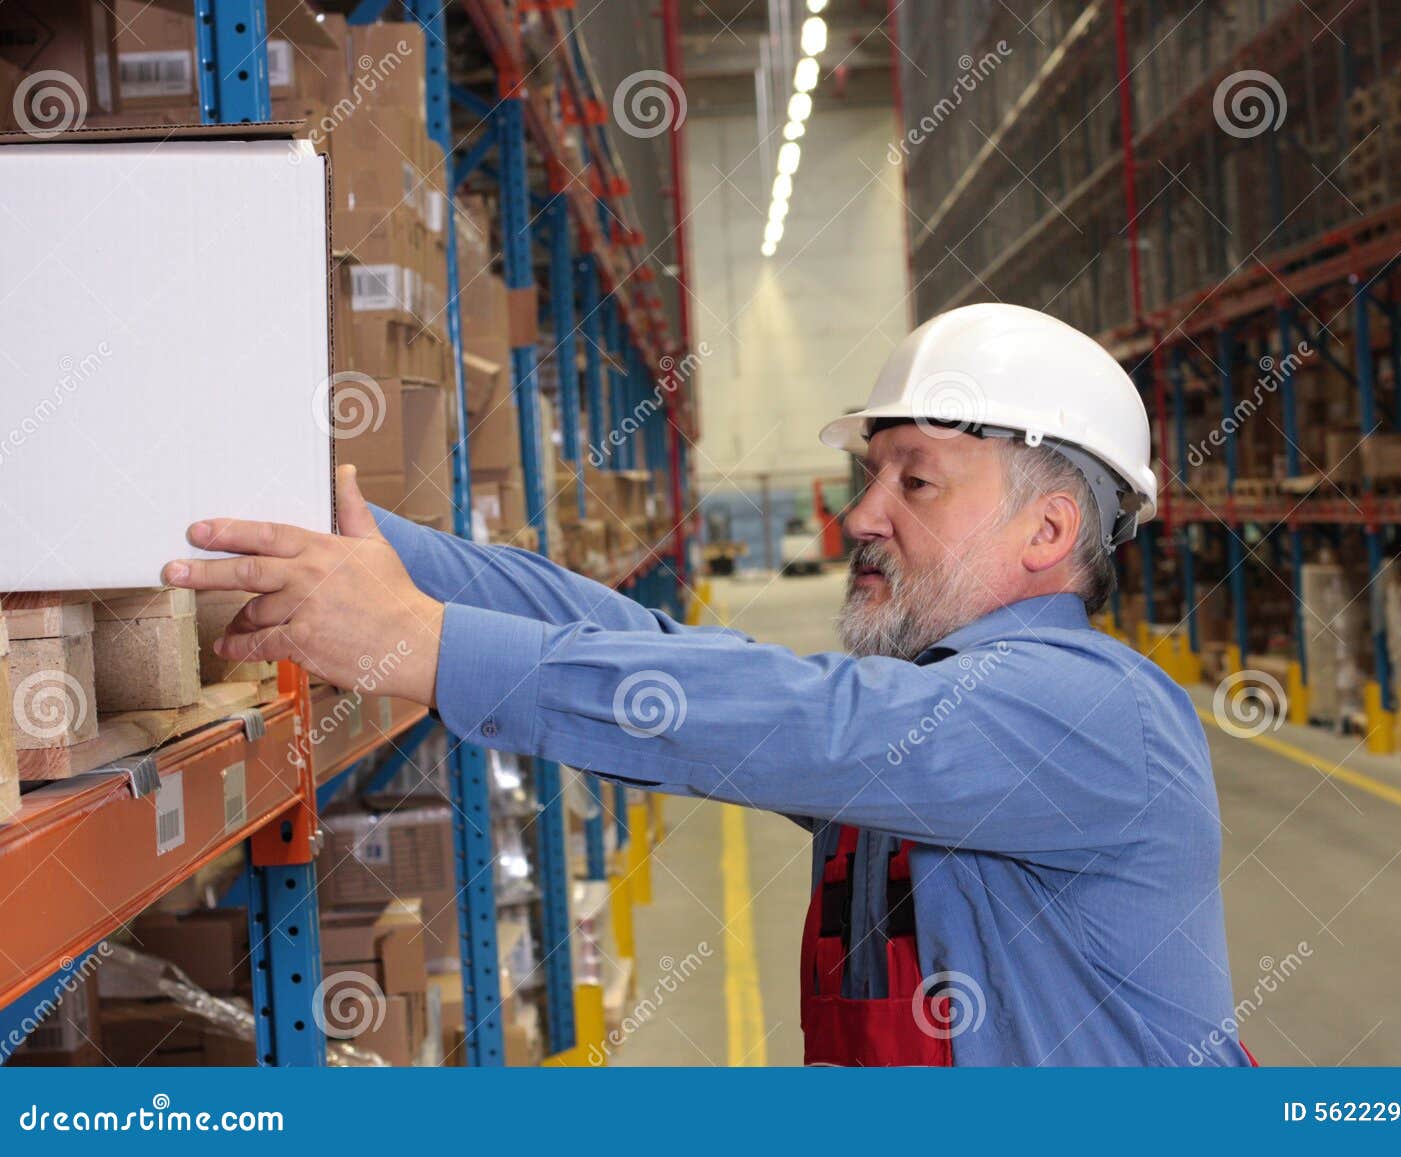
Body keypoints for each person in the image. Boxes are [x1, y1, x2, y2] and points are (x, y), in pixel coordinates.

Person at [163, 303, 1251, 1066]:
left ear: (1048, 530)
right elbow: (660, 652)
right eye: (868, 475)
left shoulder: (1095, 712)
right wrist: (377, 554)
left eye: (915, 481)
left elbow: (805, 719)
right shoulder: (938, 709)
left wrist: (428, 644)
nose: (861, 516)